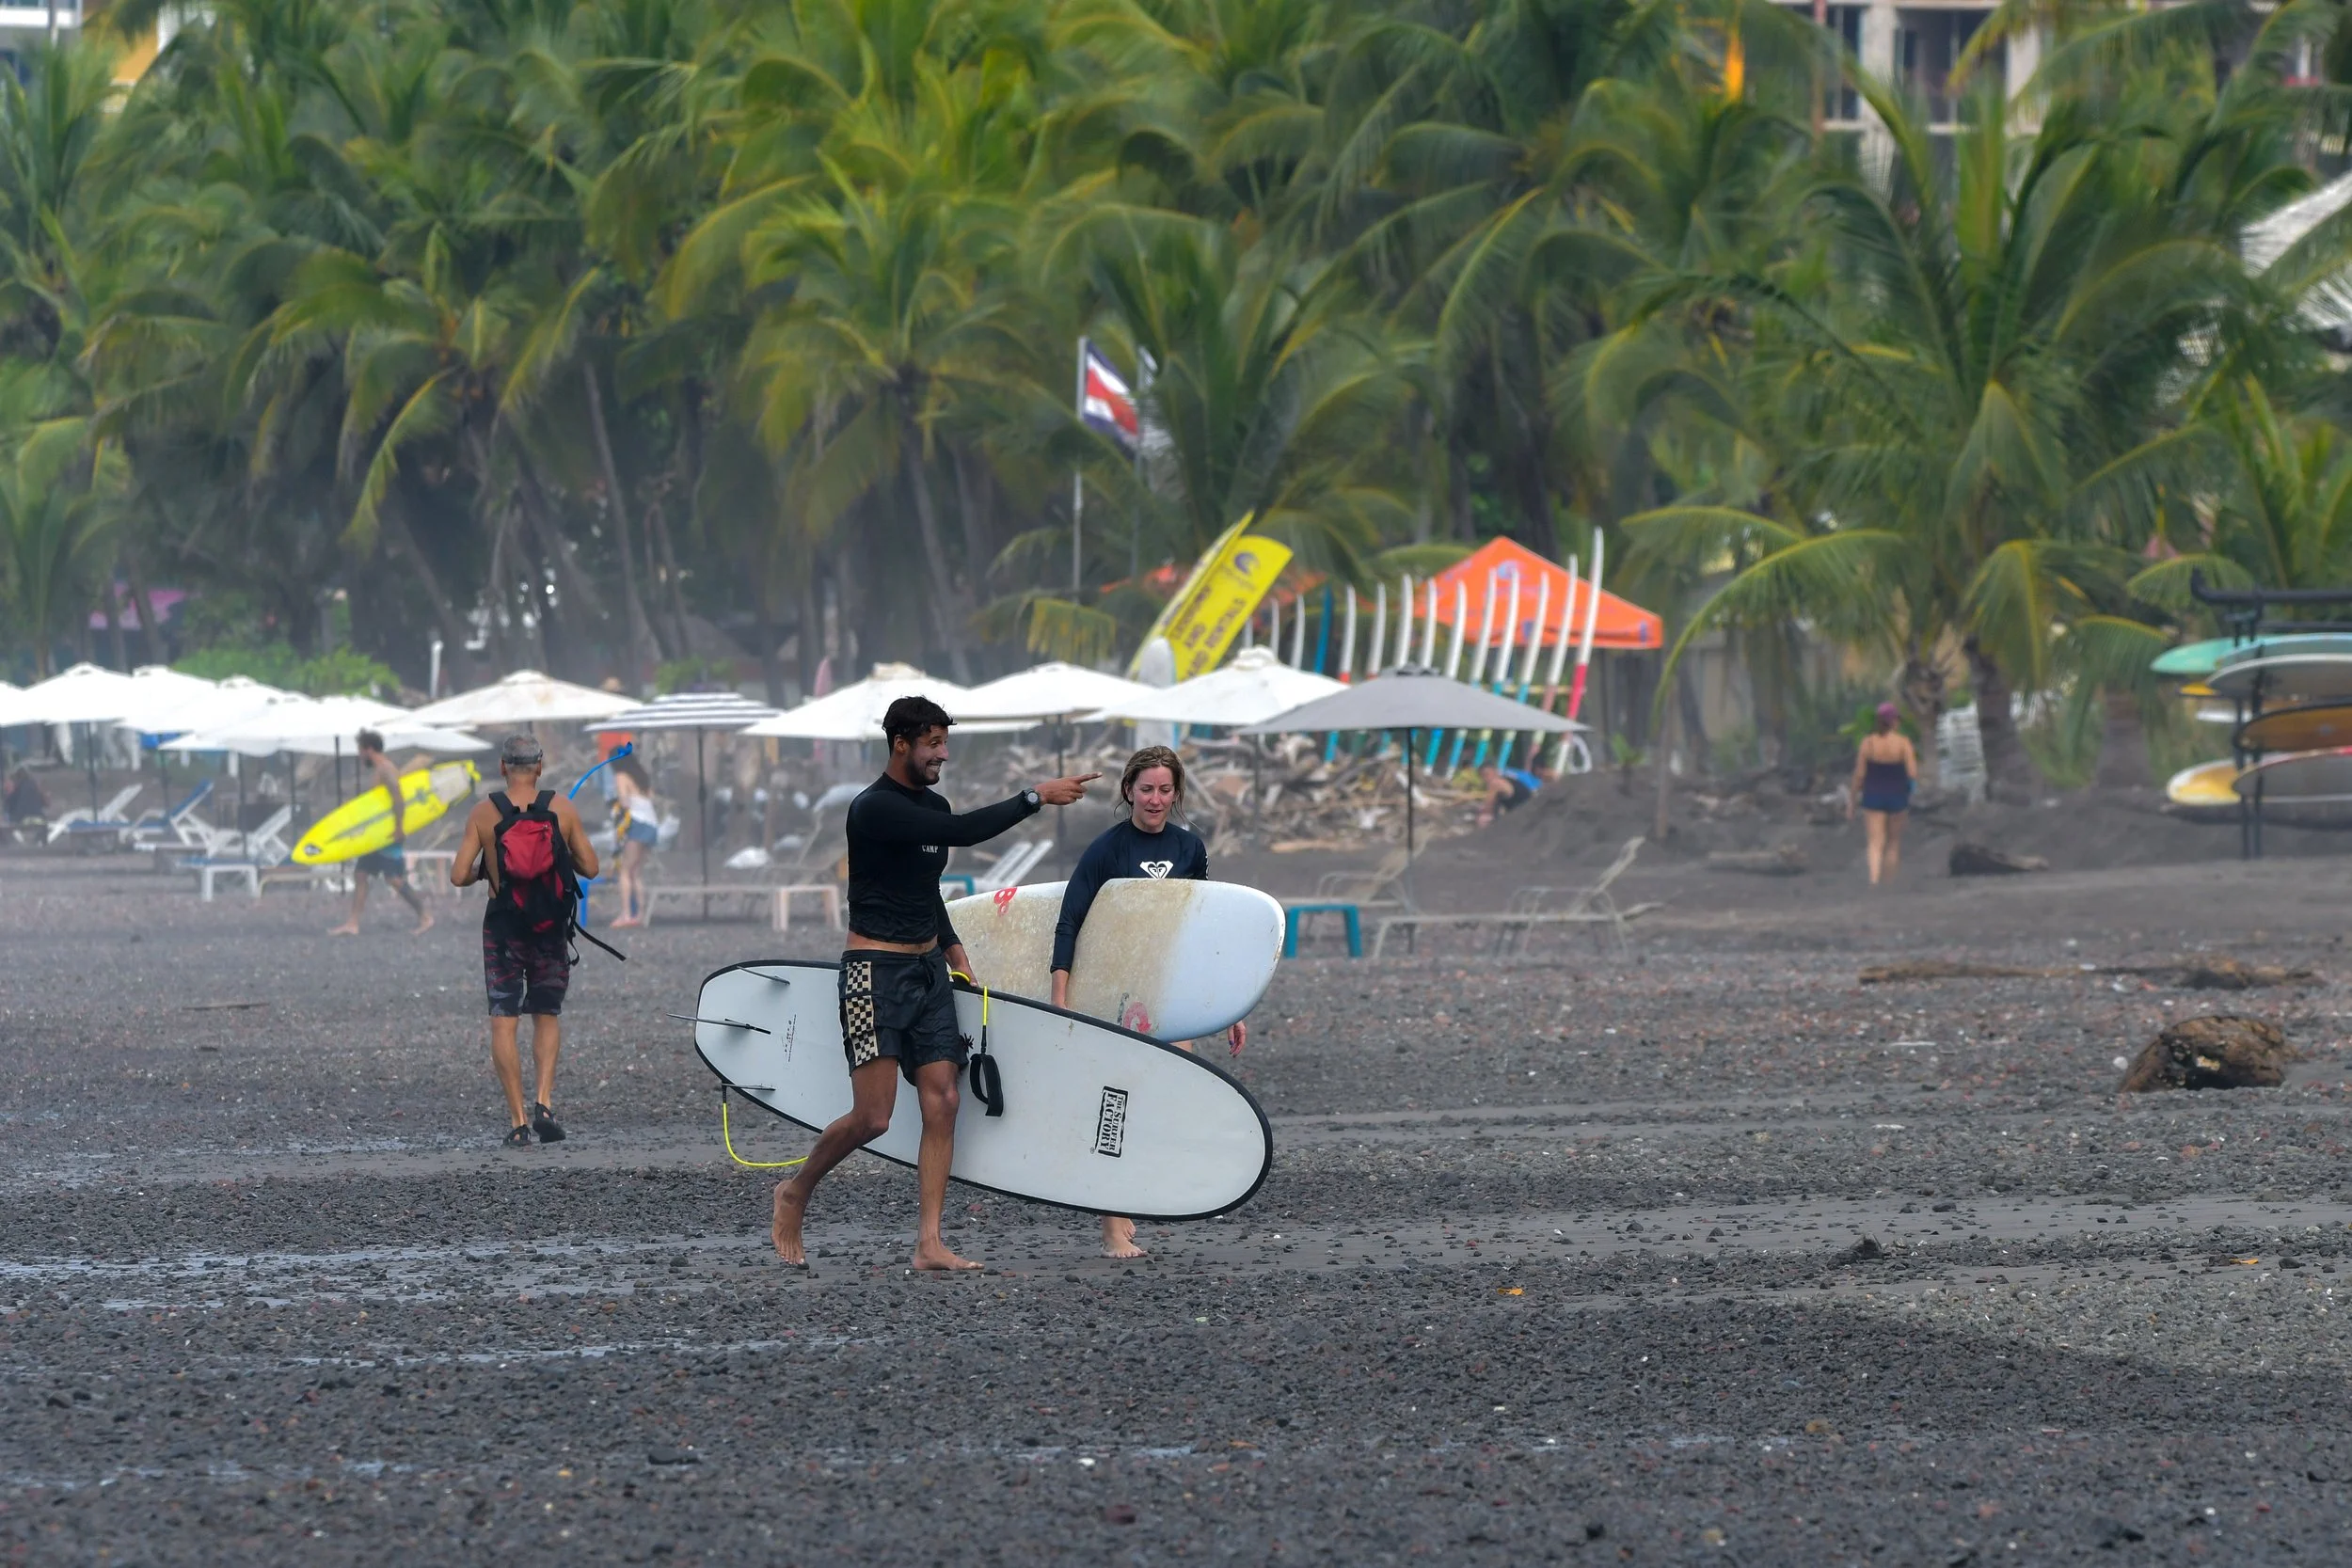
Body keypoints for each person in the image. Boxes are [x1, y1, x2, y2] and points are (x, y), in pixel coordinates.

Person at [770, 695, 1096, 1271]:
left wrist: (955, 952)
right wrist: (1034, 797)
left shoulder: (934, 804)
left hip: (928, 972)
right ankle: (795, 1191)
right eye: (933, 744)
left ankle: (929, 1242)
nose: (943, 755)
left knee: (943, 1100)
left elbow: (926, 889)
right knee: (874, 1116)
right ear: (902, 743)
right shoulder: (872, 809)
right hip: (874, 974)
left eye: (945, 743)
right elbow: (968, 832)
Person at [1049, 745, 1246, 1259]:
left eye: (1164, 790)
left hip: (1169, 991)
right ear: (1128, 791)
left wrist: (1230, 1006)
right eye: (1146, 789)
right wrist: (1059, 1000)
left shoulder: (1190, 849)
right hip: (1117, 992)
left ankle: (1129, 1194)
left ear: (1176, 793)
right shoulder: (1106, 851)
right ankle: (1112, 1227)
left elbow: (1203, 931)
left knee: (1169, 1096)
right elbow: (1069, 921)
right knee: (1117, 1102)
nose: (1155, 799)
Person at [449, 733, 602, 1146]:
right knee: (546, 1014)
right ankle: (544, 1103)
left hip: (503, 928)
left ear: (502, 767)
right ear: (540, 766)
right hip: (550, 926)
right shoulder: (562, 808)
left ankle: (517, 1123)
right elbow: (591, 866)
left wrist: (489, 867)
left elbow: (458, 874)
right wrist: (557, 853)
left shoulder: (484, 812)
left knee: (504, 1020)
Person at [328, 730, 434, 937]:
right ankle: (352, 923)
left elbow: (398, 797)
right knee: (360, 874)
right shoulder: (379, 769)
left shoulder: (386, 769)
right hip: (375, 836)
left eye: (360, 751)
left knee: (393, 878)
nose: (360, 756)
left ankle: (425, 916)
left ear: (369, 749)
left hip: (388, 834)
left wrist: (398, 828)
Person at [1848, 702, 1918, 886]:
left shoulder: (1868, 743)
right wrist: (1911, 790)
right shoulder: (1903, 743)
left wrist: (1852, 801)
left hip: (1873, 795)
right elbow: (1912, 773)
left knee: (1875, 842)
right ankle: (1889, 882)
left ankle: (1874, 880)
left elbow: (1860, 774)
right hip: (1897, 795)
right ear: (1894, 722)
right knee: (1893, 843)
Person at [607, 756, 658, 927]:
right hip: (651, 824)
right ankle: (641, 915)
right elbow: (651, 797)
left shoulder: (621, 775)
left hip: (637, 823)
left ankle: (627, 914)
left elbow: (624, 802)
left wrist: (615, 805)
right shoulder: (641, 776)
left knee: (624, 870)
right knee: (636, 872)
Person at [1476, 761, 1546, 828]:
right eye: (1483, 776)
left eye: (1486, 775)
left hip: (1525, 815)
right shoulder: (1506, 779)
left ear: (1494, 772)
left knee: (1483, 820)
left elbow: (1488, 807)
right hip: (1531, 811)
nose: (1485, 779)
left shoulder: (1496, 783)